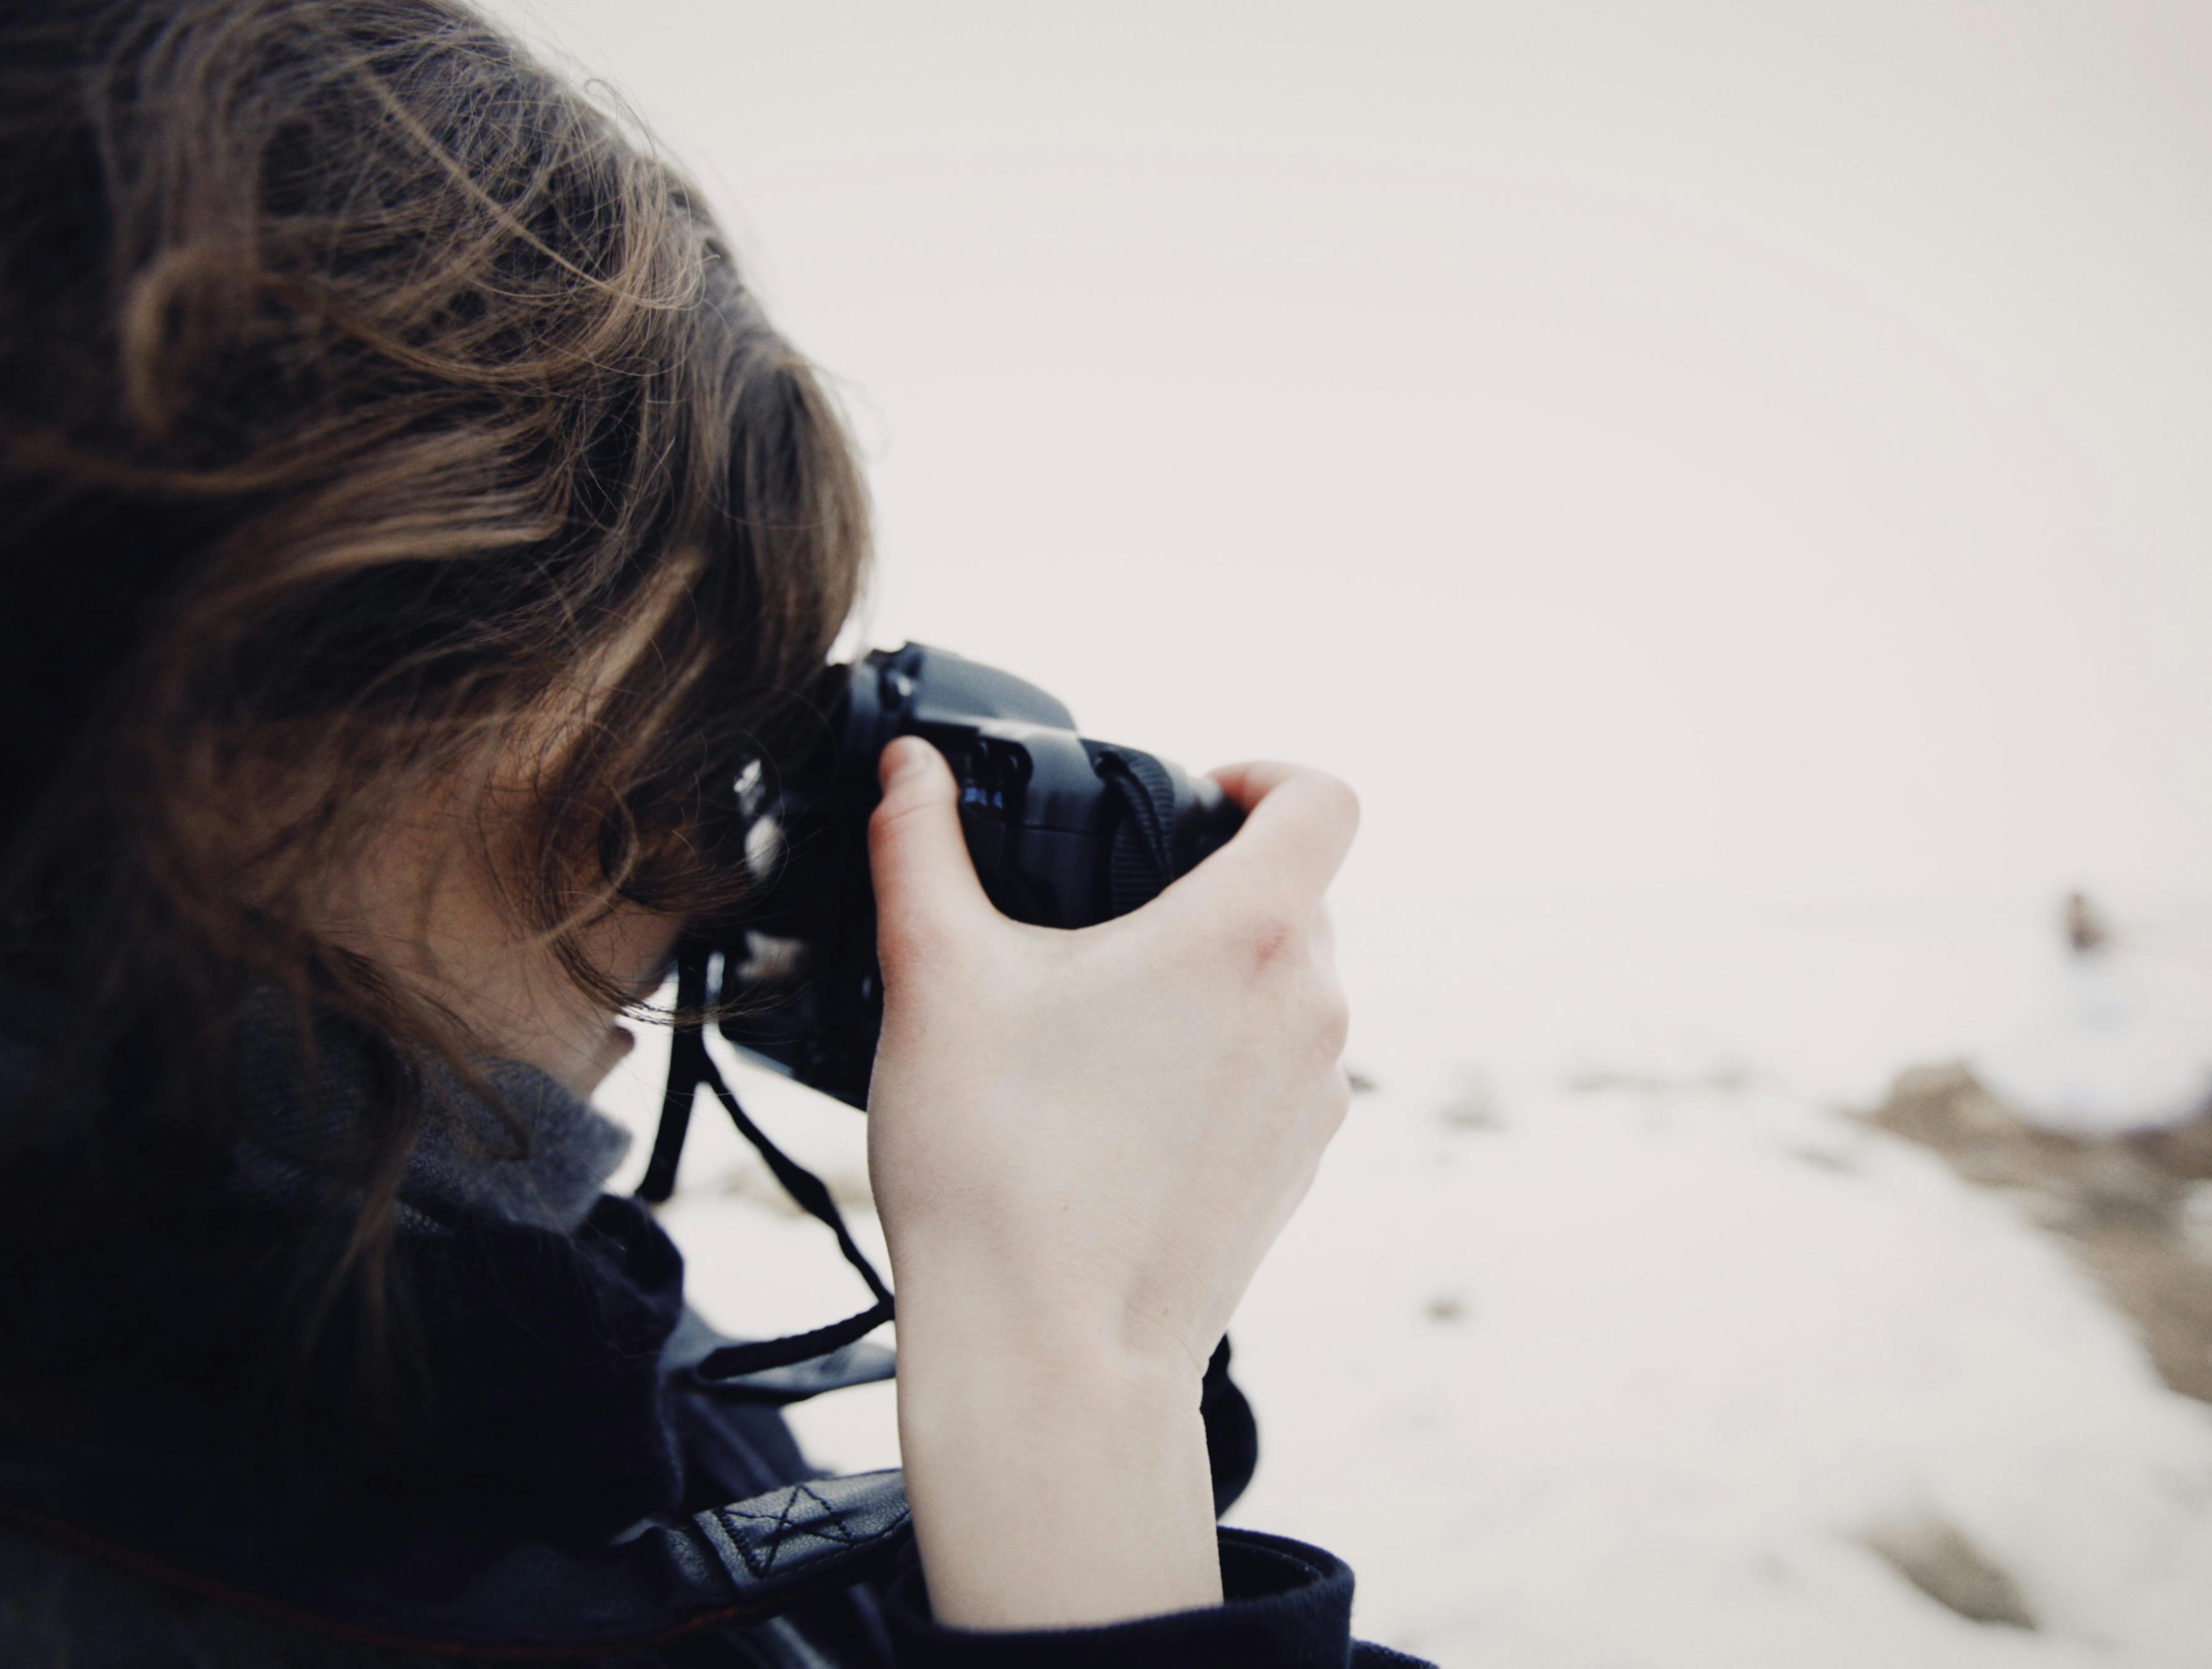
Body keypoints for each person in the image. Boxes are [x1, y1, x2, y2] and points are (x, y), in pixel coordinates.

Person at [0, 2, 1422, 1663]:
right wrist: (1076, 1383)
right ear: (237, 694)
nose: (702, 872)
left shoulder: (468, 1352)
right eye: (670, 751)